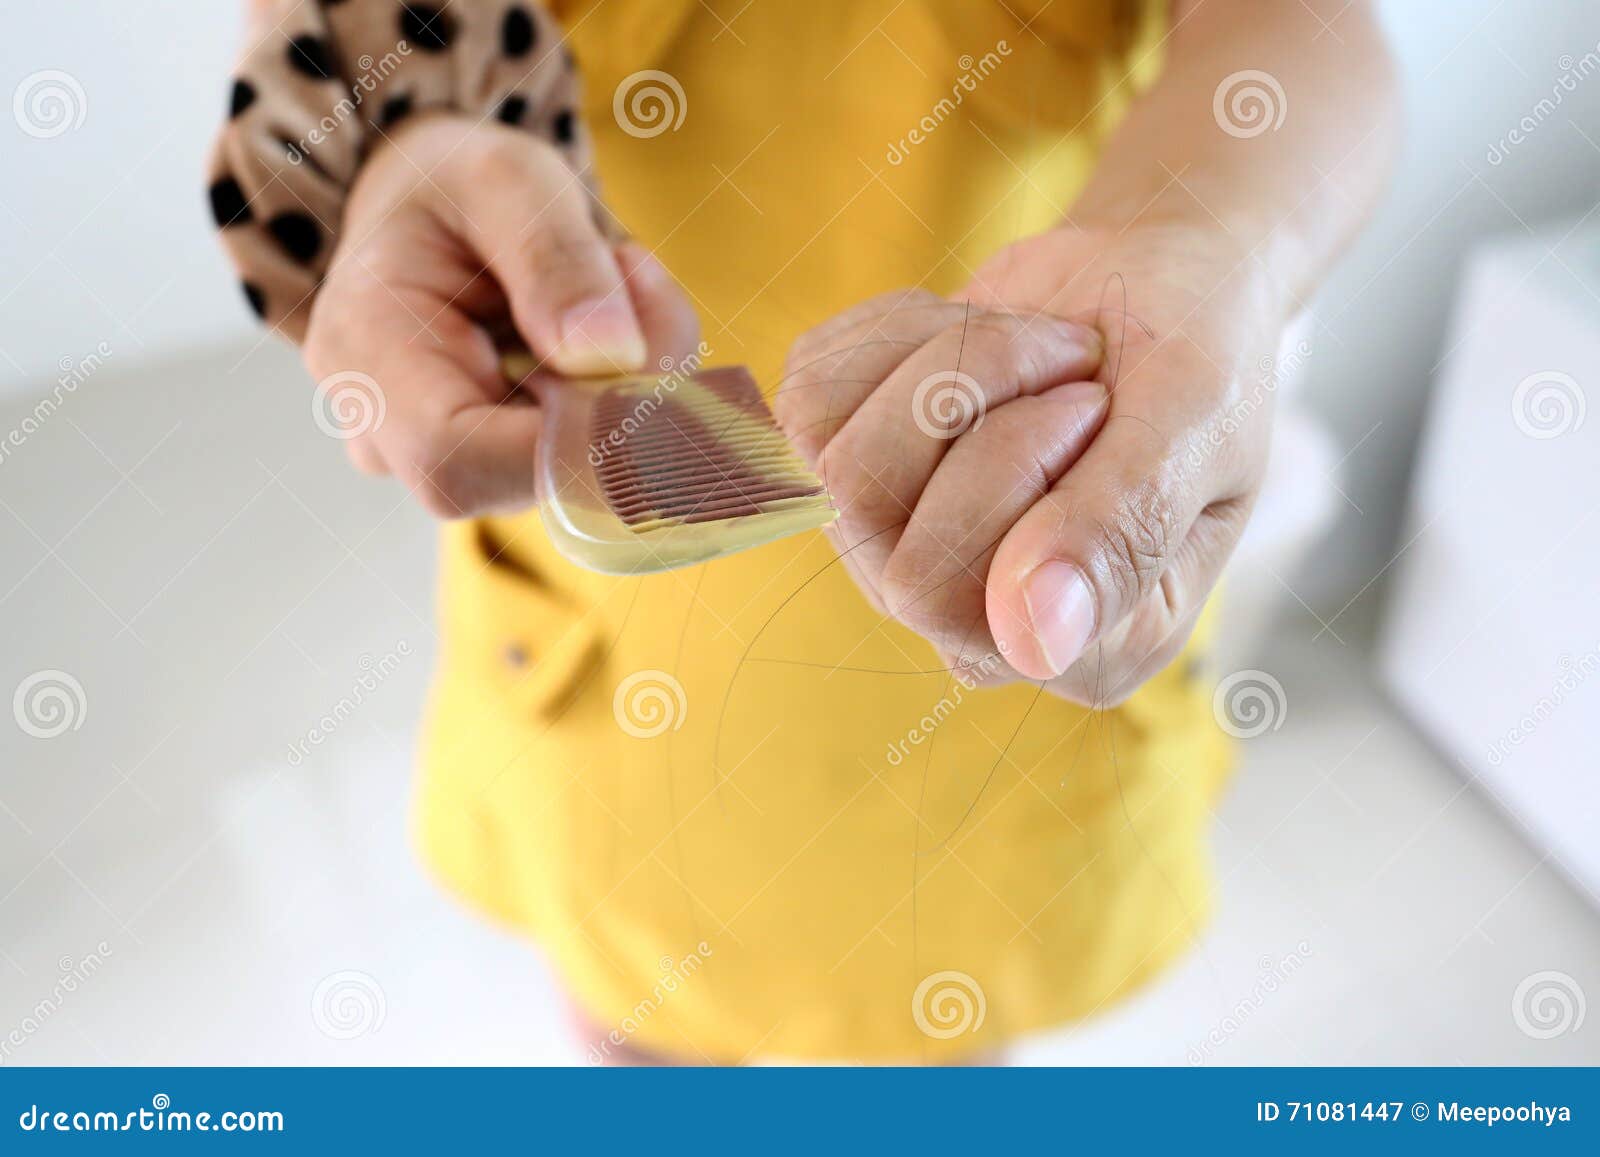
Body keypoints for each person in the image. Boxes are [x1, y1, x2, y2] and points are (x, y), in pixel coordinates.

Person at [208, 0, 1395, 1063]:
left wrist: (1204, 238)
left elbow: (1299, 24)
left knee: (935, 1035)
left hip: (980, 711)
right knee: (638, 1028)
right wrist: (397, 139)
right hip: (617, 698)